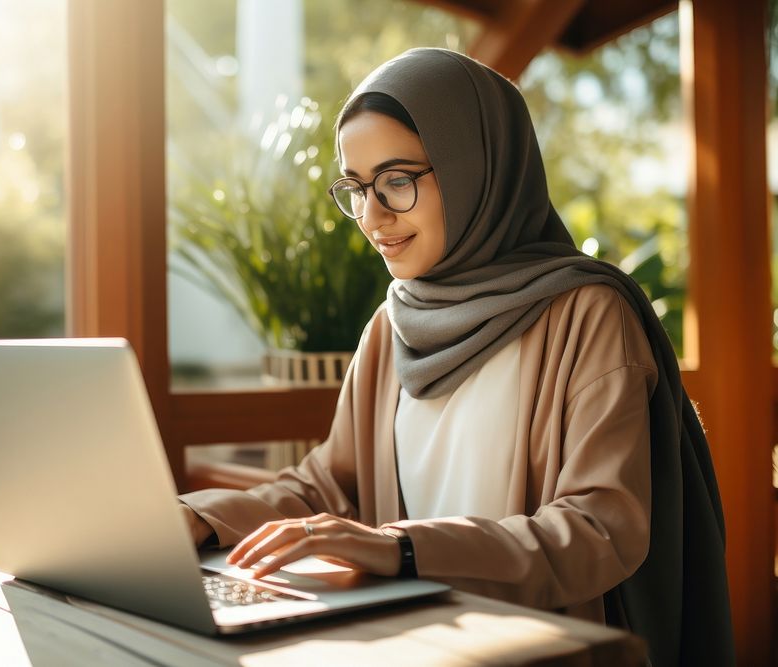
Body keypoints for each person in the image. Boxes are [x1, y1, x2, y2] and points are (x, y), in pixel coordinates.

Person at [179, 48, 733, 665]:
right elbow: (329, 488)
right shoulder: (390, 328)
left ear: (476, 170)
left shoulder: (588, 315)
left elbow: (600, 529)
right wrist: (197, 520)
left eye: (397, 181)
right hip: (414, 643)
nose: (371, 216)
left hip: (544, 647)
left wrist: (404, 549)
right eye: (356, 188)